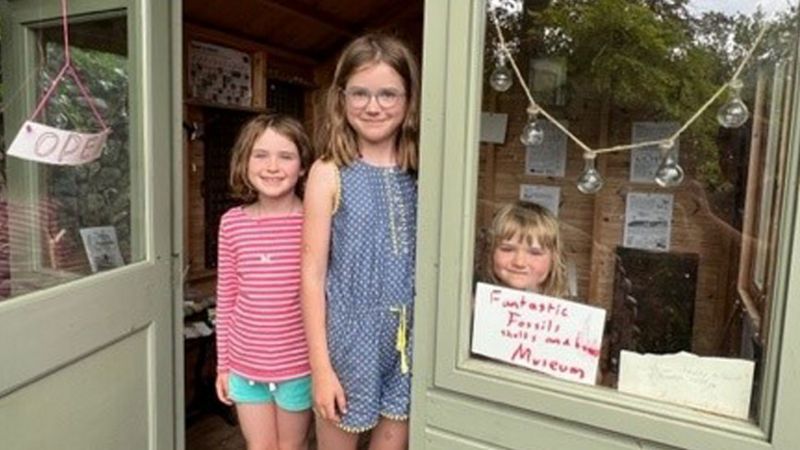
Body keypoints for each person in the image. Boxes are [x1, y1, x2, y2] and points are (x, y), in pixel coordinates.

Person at [301, 33, 420, 450]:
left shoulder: (422, 167)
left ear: (409, 99)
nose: (374, 106)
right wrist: (321, 369)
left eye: (389, 94)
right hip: (348, 341)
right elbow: (312, 276)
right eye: (361, 93)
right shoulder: (328, 171)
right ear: (341, 98)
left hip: (411, 339)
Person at [214, 114, 314, 450]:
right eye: (261, 155)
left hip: (298, 365)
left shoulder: (314, 222)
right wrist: (223, 365)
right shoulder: (232, 224)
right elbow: (226, 297)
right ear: (244, 162)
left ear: (302, 167)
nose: (273, 166)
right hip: (244, 366)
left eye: (285, 156)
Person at [485, 201, 568, 297]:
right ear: (491, 252)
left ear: (554, 258)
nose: (519, 263)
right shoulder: (468, 306)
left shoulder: (569, 310)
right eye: (507, 249)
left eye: (535, 253)